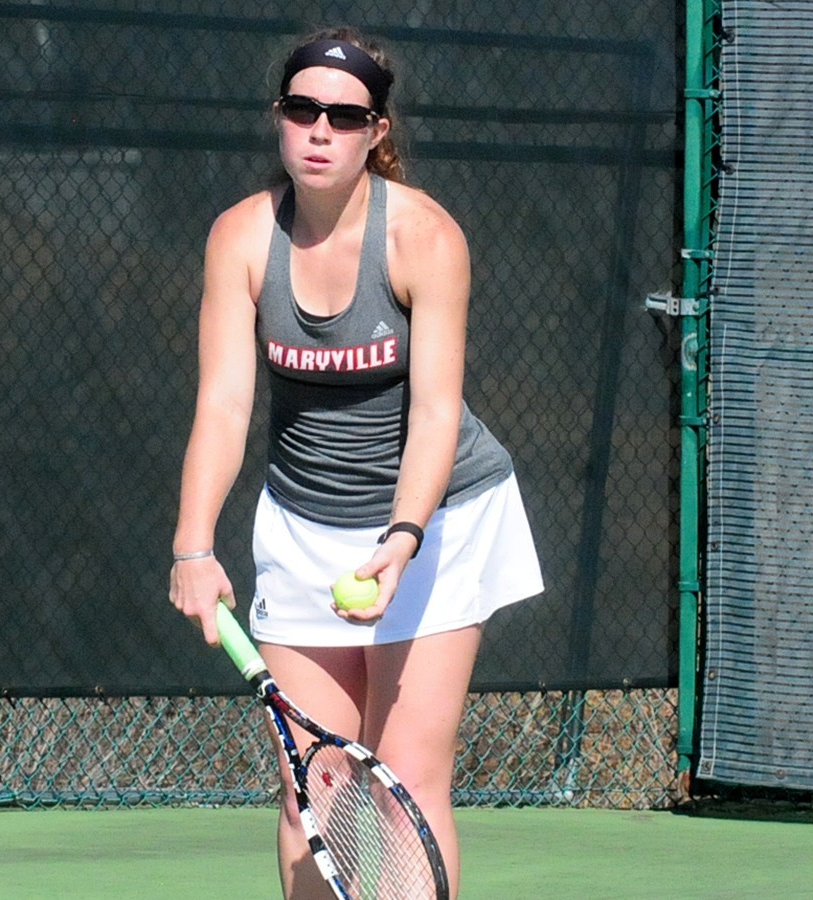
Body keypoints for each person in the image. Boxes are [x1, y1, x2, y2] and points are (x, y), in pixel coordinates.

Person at [169, 26, 543, 899]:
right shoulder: (240, 239)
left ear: (377, 131)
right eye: (302, 110)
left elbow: (436, 409)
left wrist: (404, 538)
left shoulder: (424, 238)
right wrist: (192, 544)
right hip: (301, 526)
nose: (319, 131)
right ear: (280, 119)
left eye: (344, 116)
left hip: (439, 521)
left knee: (404, 777)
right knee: (316, 788)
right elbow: (224, 406)